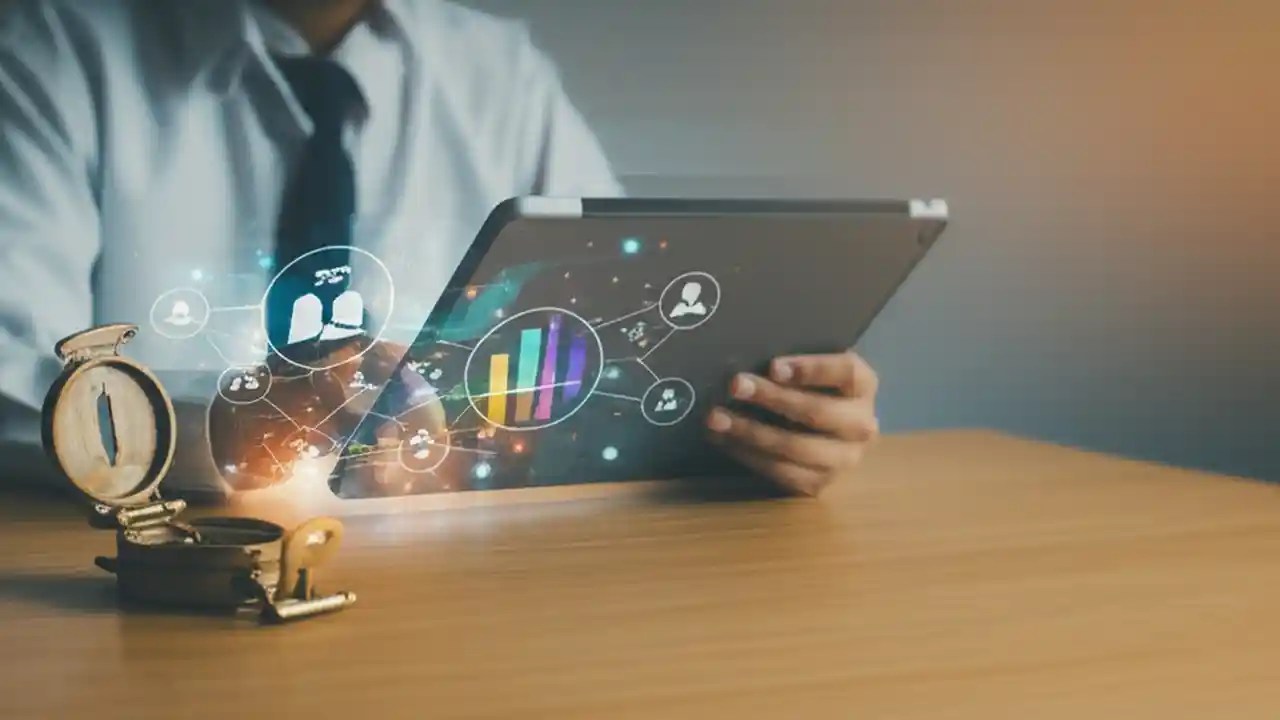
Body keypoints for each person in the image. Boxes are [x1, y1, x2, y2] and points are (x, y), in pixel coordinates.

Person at [0, 0, 879, 498]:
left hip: (460, 587)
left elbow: (627, 344)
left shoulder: (500, 75)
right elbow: (8, 394)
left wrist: (752, 415)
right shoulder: (45, 50)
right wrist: (224, 431)